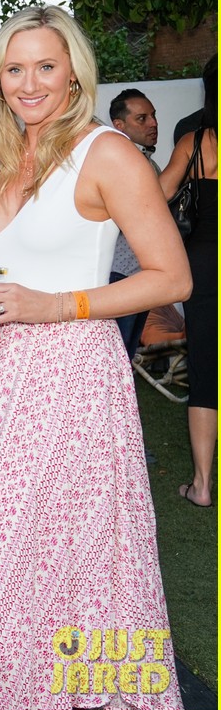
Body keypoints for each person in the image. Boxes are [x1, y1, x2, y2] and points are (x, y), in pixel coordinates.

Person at [0, 5, 190, 710]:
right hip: (5, 379)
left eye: (46, 66)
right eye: (15, 69)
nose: (30, 82)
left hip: (74, 381)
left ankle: (86, 699)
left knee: (70, 564)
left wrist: (58, 304)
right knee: (18, 561)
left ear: (74, 72)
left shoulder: (105, 152)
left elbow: (171, 276)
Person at [158, 63, 217, 508]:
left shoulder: (194, 142)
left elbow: (156, 195)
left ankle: (201, 486)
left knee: (204, 368)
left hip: (205, 261)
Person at [108, 88, 162, 359]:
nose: (153, 123)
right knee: (115, 358)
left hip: (139, 274)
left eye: (153, 116)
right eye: (142, 118)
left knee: (124, 356)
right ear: (120, 126)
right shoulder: (117, 163)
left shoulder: (146, 162)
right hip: (119, 274)